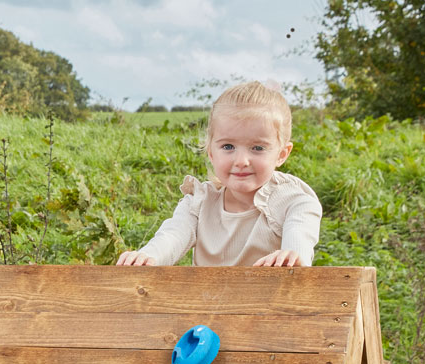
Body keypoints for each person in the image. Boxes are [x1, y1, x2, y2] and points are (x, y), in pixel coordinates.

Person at [115, 80, 322, 269]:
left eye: (258, 148)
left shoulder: (294, 201)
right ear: (211, 153)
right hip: (208, 304)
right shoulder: (200, 202)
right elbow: (173, 234)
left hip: (269, 304)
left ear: (282, 154)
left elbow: (300, 233)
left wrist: (293, 257)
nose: (241, 161)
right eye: (228, 146)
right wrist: (149, 256)